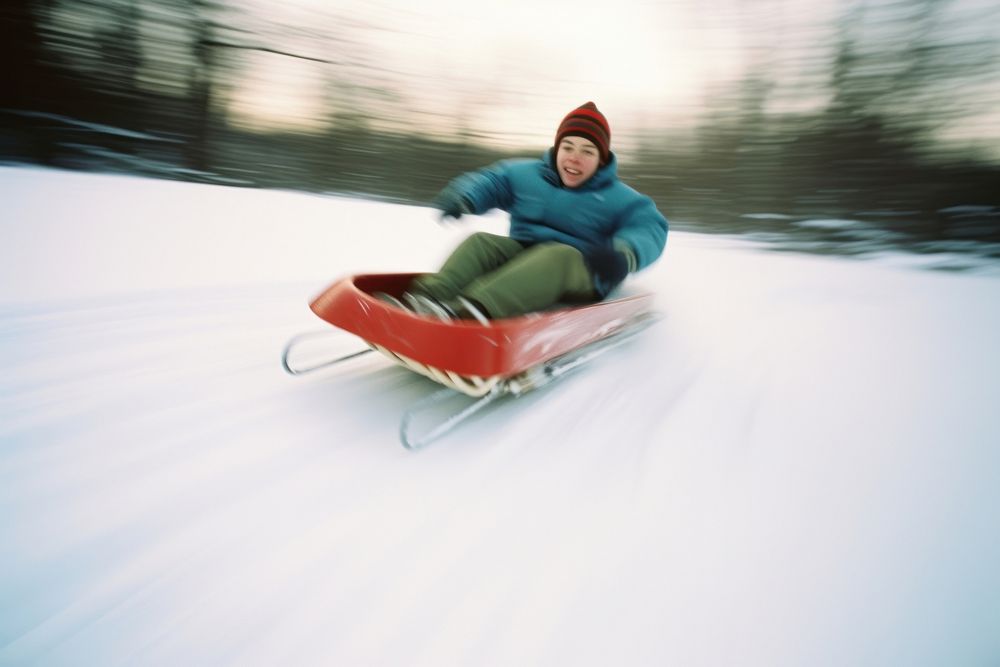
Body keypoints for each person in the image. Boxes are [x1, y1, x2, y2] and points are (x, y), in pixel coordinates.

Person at [399, 101, 668, 322]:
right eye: (568, 147)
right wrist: (465, 197)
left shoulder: (619, 197)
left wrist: (624, 255)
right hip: (524, 254)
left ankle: (473, 312)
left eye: (588, 151)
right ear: (556, 149)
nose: (575, 157)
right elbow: (492, 181)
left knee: (556, 254)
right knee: (481, 243)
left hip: (584, 271)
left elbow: (648, 227)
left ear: (601, 160)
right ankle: (428, 299)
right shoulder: (526, 175)